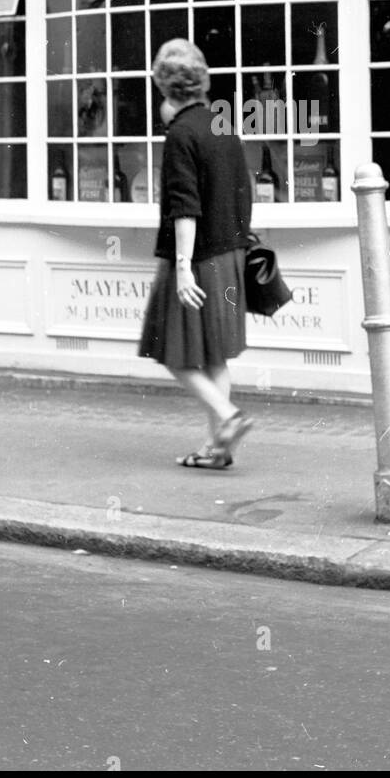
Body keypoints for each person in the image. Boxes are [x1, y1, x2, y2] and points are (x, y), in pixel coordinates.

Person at [138, 39, 256, 469]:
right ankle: (218, 449)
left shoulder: (180, 136)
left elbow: (184, 206)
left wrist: (184, 268)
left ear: (164, 88)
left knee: (171, 351)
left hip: (194, 259)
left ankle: (228, 416)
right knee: (214, 355)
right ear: (202, 81)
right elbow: (243, 195)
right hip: (229, 257)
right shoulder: (223, 128)